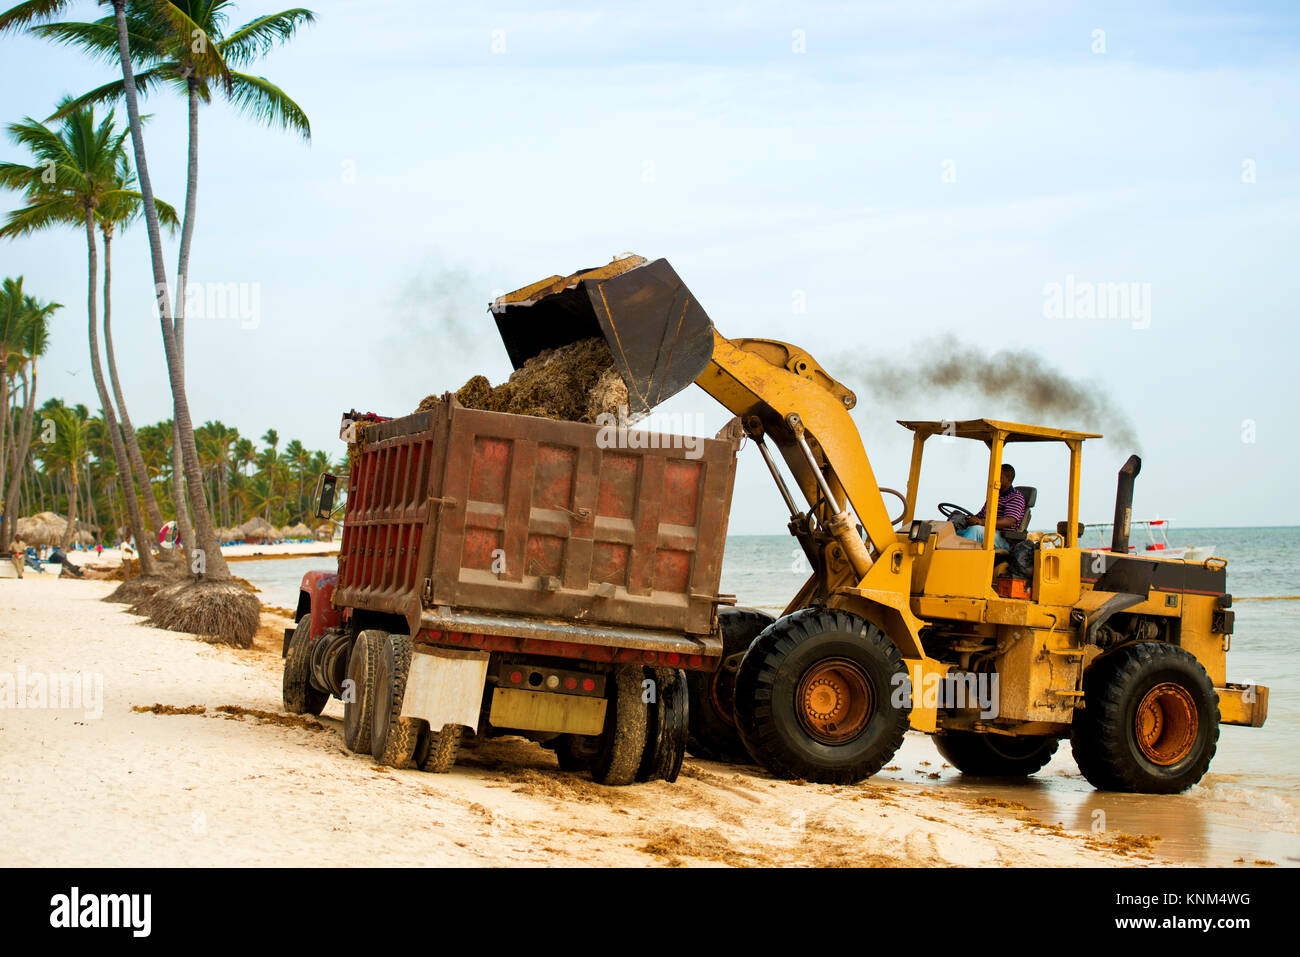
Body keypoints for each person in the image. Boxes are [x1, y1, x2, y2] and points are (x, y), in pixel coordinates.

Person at [958, 463, 1026, 550]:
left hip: (1004, 538)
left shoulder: (1015, 497)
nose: (995, 480)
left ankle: (961, 560)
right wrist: (966, 518)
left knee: (975, 530)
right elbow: (980, 516)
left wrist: (982, 523)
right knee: (954, 532)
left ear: (1008, 479)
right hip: (990, 533)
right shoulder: (994, 496)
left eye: (999, 477)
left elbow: (1009, 521)